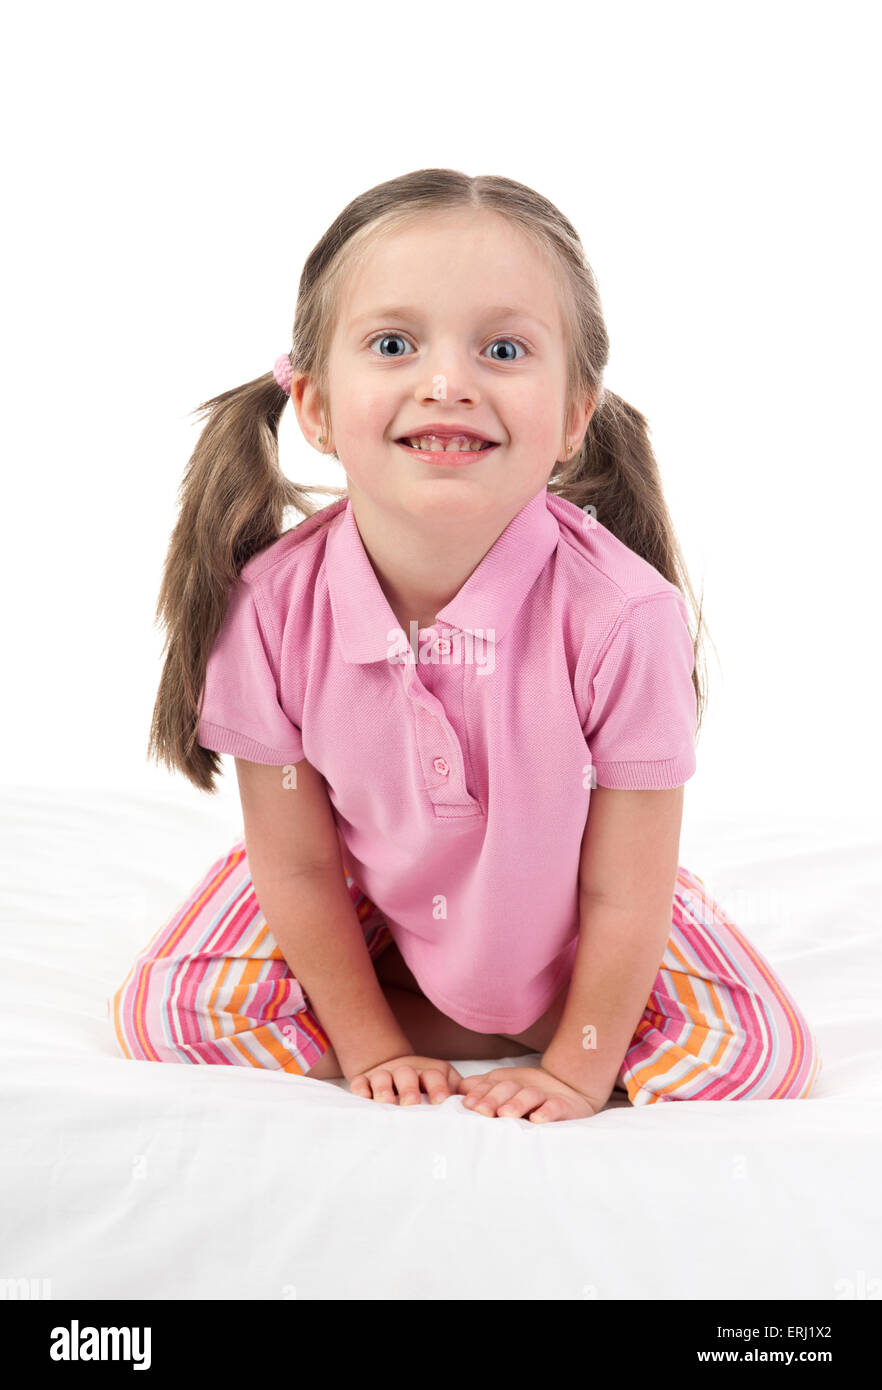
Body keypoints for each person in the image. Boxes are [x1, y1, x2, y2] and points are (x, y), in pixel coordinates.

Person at [108, 168, 822, 1123]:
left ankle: (528, 1022)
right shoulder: (272, 606)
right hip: (364, 890)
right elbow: (299, 866)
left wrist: (577, 1066)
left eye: (503, 348)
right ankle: (443, 1016)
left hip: (581, 906)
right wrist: (372, 1046)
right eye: (394, 345)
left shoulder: (621, 613)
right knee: (164, 1014)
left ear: (574, 415)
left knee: (763, 1054)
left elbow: (624, 886)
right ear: (315, 407)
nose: (447, 384)